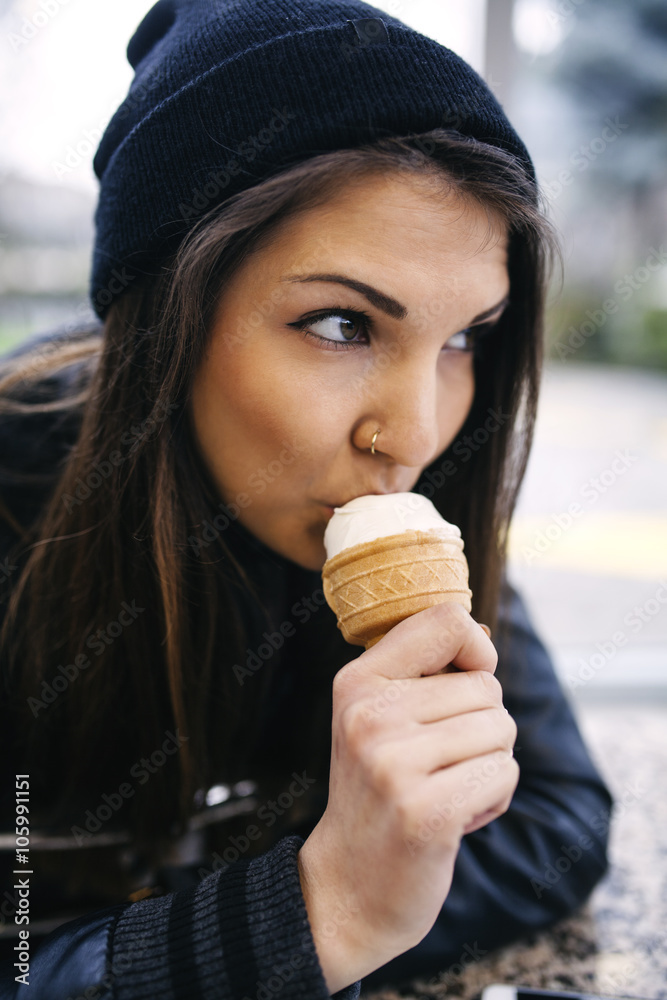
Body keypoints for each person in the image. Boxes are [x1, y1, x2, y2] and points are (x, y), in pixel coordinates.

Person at [0, 1, 612, 997]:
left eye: (465, 339)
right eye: (340, 322)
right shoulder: (19, 489)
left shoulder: (408, 511)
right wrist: (308, 905)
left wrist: (351, 898)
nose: (413, 435)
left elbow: (554, 814)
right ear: (165, 318)